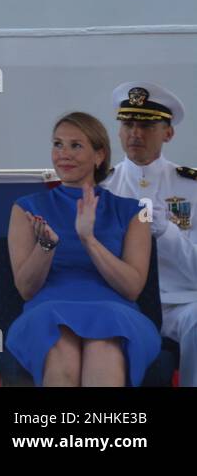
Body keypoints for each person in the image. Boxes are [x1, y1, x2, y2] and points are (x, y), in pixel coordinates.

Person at [6, 112, 161, 386]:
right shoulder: (26, 208)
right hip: (47, 309)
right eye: (58, 144)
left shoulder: (135, 212)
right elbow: (26, 289)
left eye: (76, 145)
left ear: (99, 155)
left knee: (104, 352)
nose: (64, 154)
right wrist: (46, 246)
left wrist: (88, 239)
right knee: (61, 352)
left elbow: (132, 287)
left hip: (115, 311)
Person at [102, 82, 197, 386]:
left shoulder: (191, 187)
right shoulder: (103, 187)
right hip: (121, 300)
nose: (135, 134)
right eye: (128, 124)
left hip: (179, 302)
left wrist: (167, 233)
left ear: (168, 133)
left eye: (146, 125)